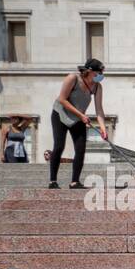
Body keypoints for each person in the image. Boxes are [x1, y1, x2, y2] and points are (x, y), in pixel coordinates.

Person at [50, 57, 107, 189]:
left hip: (78, 118)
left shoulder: (97, 87)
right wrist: (81, 115)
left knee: (80, 149)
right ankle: (52, 180)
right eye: (99, 73)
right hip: (61, 114)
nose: (101, 76)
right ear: (89, 71)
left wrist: (103, 129)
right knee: (59, 146)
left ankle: (75, 181)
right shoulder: (73, 78)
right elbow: (62, 99)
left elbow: (99, 110)